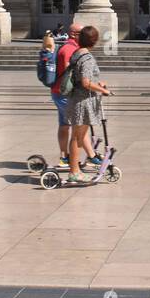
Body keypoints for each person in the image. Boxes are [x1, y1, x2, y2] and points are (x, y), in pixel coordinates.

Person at [63, 26, 112, 184]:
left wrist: (98, 83)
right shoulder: (87, 58)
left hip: (77, 99)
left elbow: (81, 78)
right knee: (77, 138)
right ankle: (74, 172)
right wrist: (103, 90)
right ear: (94, 41)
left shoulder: (77, 53)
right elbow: (85, 82)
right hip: (83, 102)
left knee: (78, 136)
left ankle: (78, 166)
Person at [51, 23, 101, 169]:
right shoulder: (70, 49)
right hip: (65, 93)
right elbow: (73, 75)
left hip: (60, 92)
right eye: (82, 34)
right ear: (74, 34)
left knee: (65, 125)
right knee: (78, 126)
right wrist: (97, 87)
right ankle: (90, 156)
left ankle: (65, 157)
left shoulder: (71, 48)